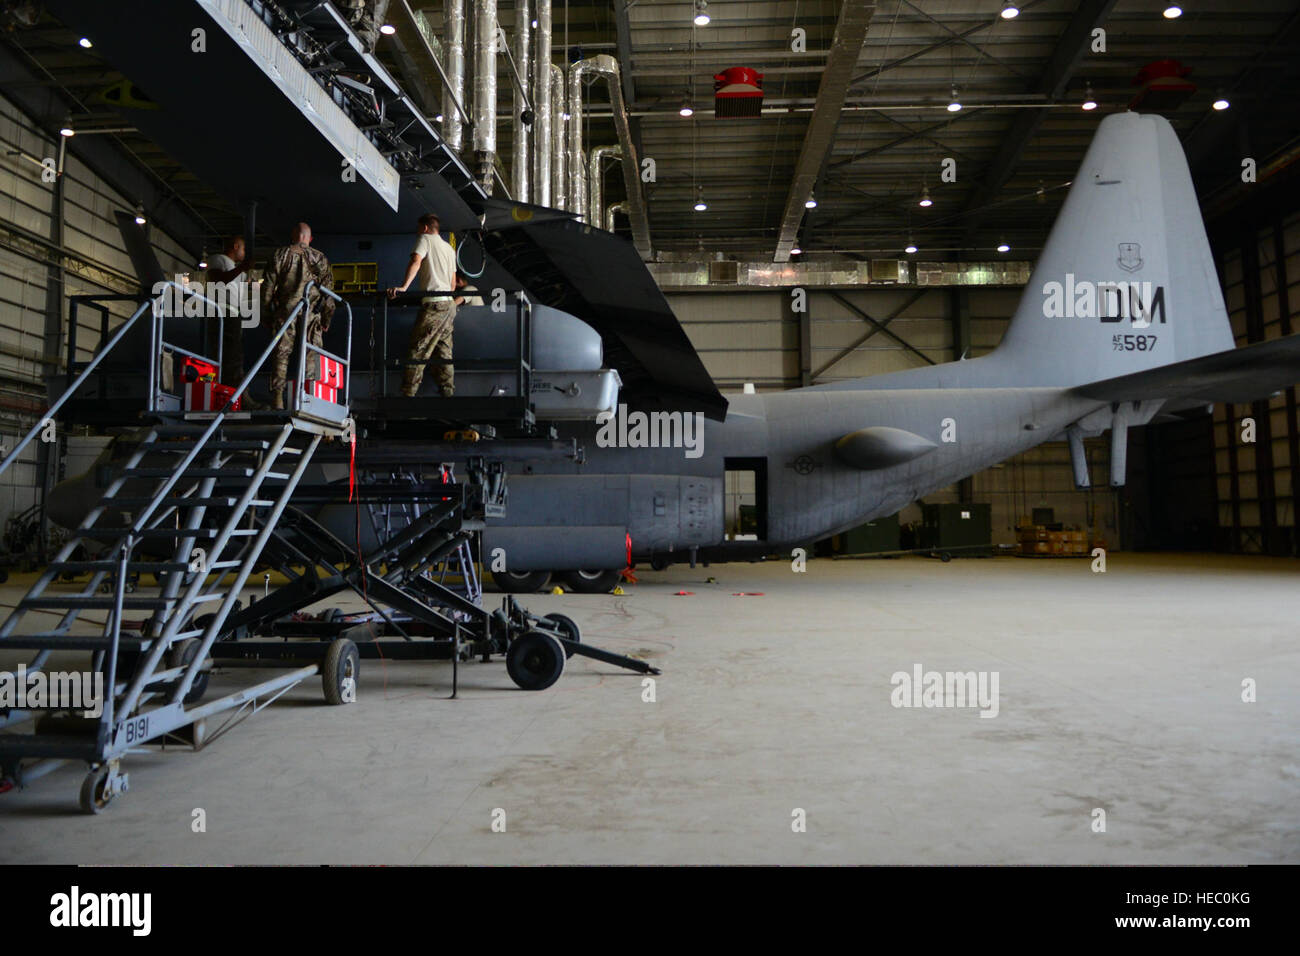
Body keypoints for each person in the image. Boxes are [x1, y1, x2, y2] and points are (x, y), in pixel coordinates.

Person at [261, 222, 335, 410]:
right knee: (310, 353)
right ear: (310, 239)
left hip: (285, 312)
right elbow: (329, 294)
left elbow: (267, 288)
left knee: (281, 353)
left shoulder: (280, 254)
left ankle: (278, 399)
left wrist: (267, 315)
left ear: (293, 236)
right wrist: (326, 319)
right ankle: (308, 399)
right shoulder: (320, 258)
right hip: (311, 314)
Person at [387, 212, 458, 397]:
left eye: (419, 229)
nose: (418, 232)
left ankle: (408, 394)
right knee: (443, 351)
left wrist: (403, 287)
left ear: (425, 228)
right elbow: (452, 283)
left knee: (418, 350)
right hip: (449, 306)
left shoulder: (425, 239)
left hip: (433, 305)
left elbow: (416, 261)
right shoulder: (449, 249)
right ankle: (448, 393)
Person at [206, 235, 252, 390]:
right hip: (221, 311)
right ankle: (226, 388)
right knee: (223, 352)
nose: (244, 253)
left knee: (234, 354)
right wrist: (241, 269)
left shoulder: (238, 270)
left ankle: (231, 388)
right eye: (243, 249)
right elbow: (218, 280)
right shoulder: (218, 259)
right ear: (236, 246)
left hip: (233, 313)